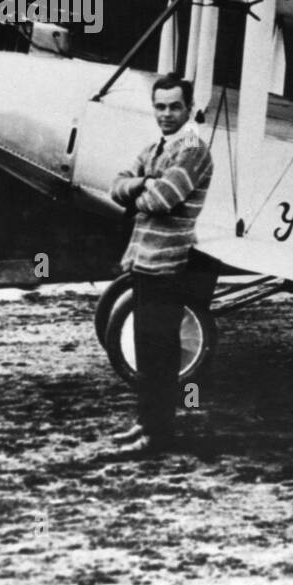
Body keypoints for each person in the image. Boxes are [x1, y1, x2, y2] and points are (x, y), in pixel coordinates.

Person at [108, 74, 214, 455]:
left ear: (188, 108)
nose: (166, 113)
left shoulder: (194, 150)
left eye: (174, 106)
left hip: (169, 264)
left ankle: (159, 434)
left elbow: (163, 200)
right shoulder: (156, 148)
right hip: (142, 262)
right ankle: (145, 424)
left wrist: (139, 188)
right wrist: (141, 185)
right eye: (160, 106)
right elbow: (115, 185)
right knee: (145, 351)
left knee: (161, 353)